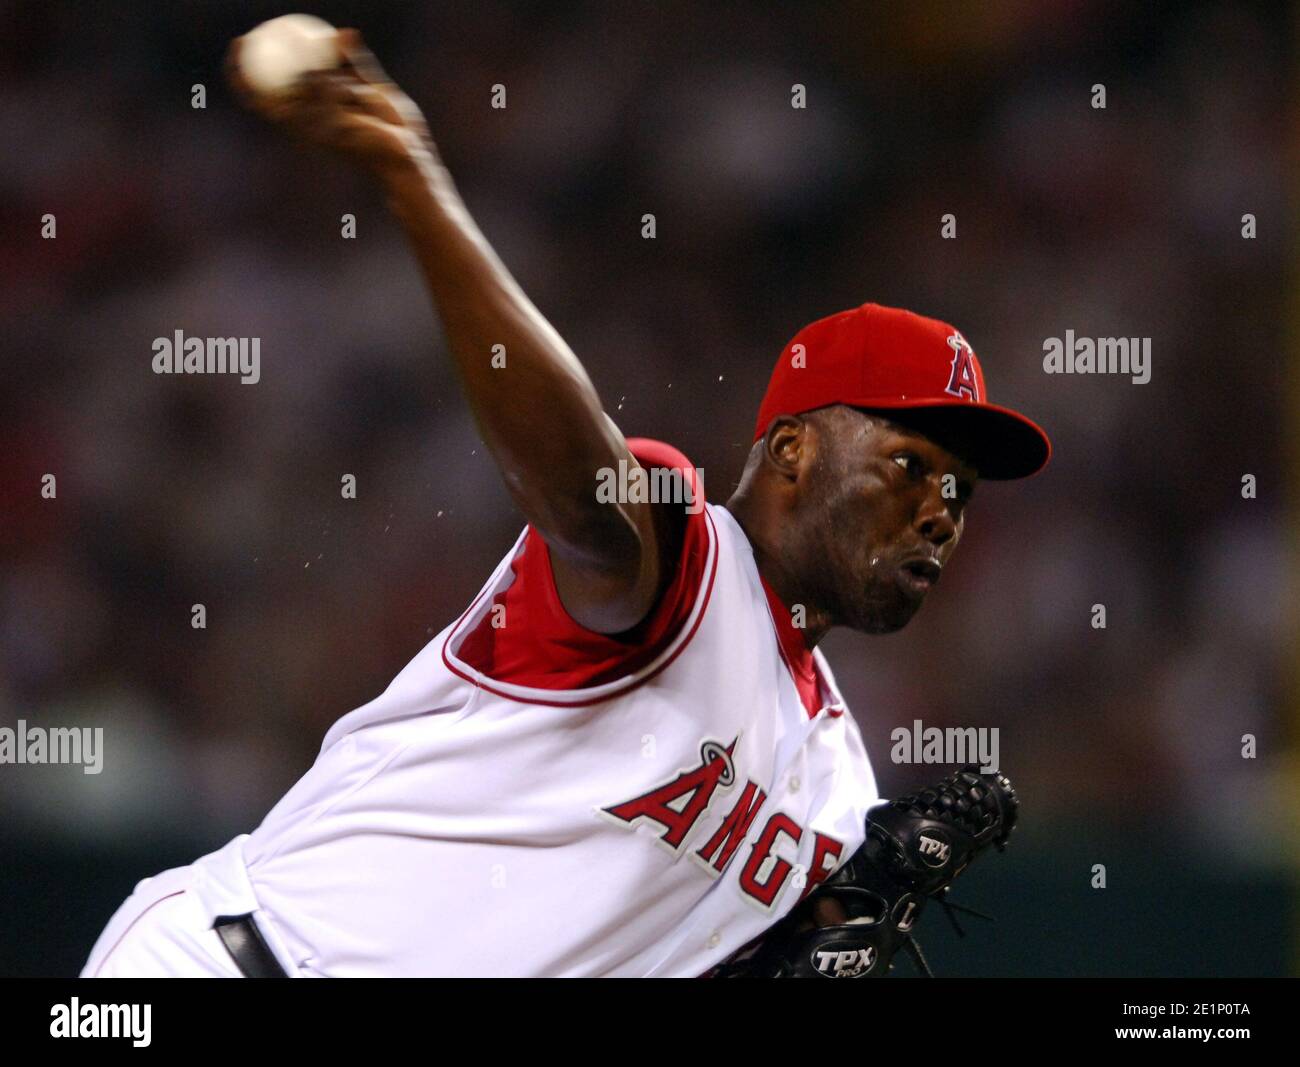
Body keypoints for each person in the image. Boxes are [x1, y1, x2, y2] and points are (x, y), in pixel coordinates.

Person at [81, 29, 1049, 978]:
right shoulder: (682, 555)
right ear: (792, 450)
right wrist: (413, 174)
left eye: (958, 488)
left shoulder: (840, 801)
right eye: (910, 463)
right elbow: (575, 486)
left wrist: (817, 928)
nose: (939, 509)